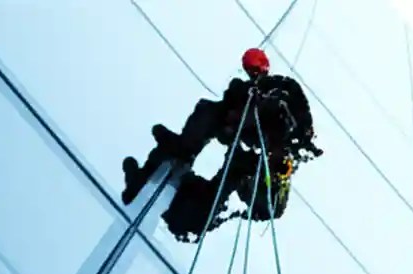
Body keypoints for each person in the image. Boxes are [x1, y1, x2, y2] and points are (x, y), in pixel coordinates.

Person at [121, 48, 322, 205]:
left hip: (267, 137)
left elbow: (298, 115)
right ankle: (168, 162)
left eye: (255, 67)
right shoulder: (246, 90)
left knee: (237, 167)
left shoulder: (281, 87)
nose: (252, 72)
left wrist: (292, 141)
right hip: (250, 131)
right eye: (249, 68)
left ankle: (177, 169)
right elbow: (223, 112)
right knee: (207, 111)